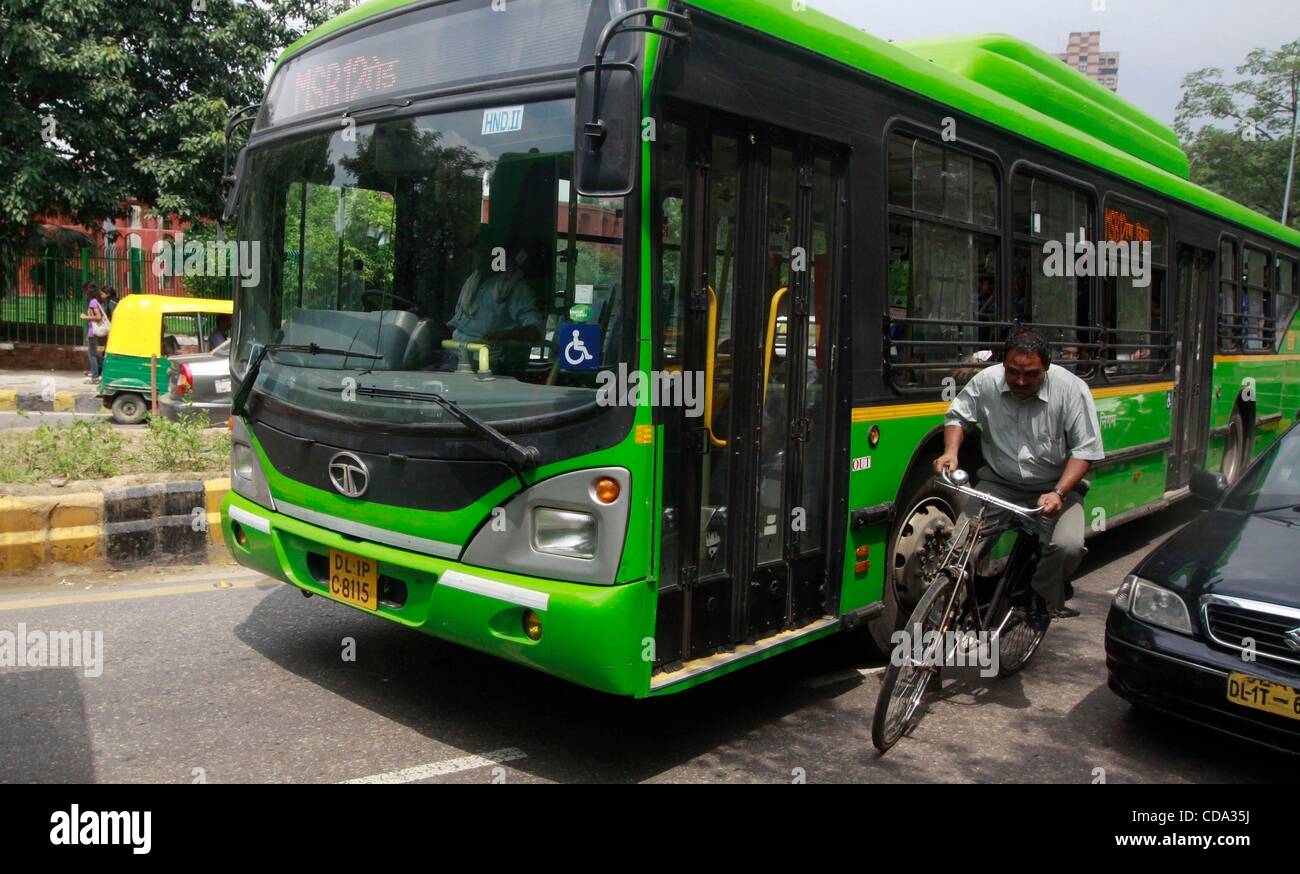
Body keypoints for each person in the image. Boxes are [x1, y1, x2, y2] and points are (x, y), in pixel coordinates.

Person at [934, 328, 1105, 630]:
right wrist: (951, 452)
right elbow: (957, 416)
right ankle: (944, 615)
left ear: (1047, 367)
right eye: (1013, 372)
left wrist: (1059, 492)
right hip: (999, 485)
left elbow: (1085, 450)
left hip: (1054, 489)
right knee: (957, 548)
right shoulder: (986, 381)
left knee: (1068, 546)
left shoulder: (1072, 390)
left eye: (1031, 374)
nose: (1021, 381)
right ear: (1003, 364)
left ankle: (1039, 595)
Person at [445, 245, 544, 369]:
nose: (480, 258)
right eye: (478, 252)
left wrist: (507, 335)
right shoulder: (472, 283)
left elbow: (536, 330)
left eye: (487, 254)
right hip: (453, 355)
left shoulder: (514, 288)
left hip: (488, 365)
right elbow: (456, 322)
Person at [78, 281, 105, 382]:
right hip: (93, 331)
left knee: (92, 354)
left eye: (85, 291)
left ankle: (95, 377)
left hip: (93, 331)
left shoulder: (93, 302)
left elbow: (98, 317)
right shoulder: (98, 301)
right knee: (94, 354)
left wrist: (85, 317)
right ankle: (105, 370)